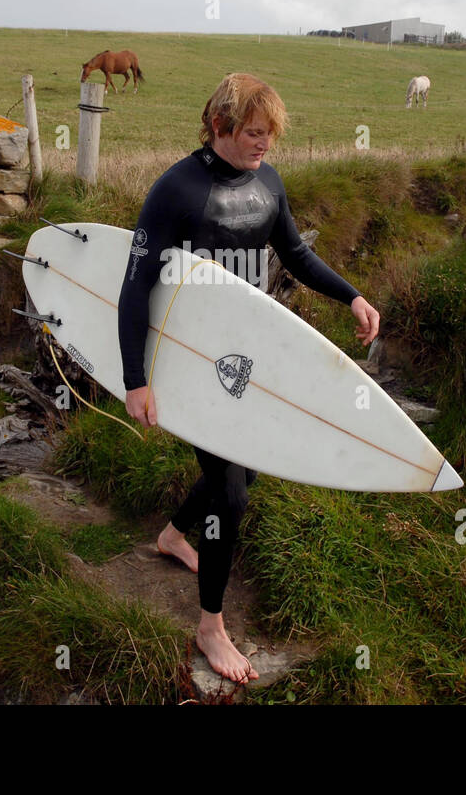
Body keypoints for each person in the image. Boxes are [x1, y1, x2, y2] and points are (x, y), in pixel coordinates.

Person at [117, 73, 380, 684]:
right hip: (184, 358)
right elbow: (135, 287)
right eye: (254, 134)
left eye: (270, 136)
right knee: (232, 492)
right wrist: (137, 379)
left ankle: (172, 534)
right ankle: (210, 627)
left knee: (248, 468)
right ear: (220, 126)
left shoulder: (267, 181)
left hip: (243, 358)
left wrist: (352, 297)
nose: (265, 145)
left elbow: (295, 254)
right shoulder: (176, 189)